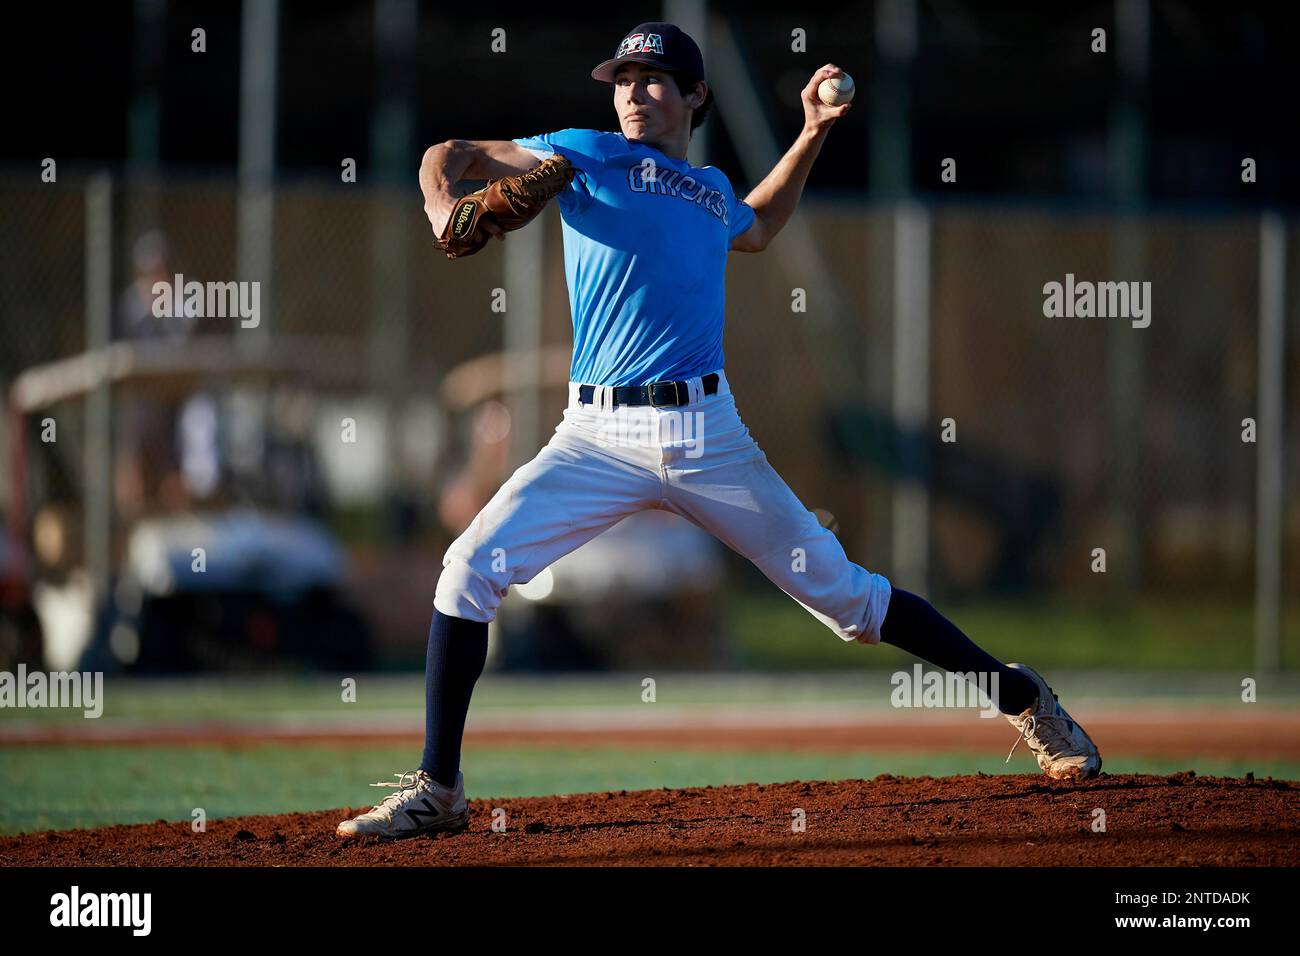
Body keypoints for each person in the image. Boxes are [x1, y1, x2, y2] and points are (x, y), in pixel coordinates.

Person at [337, 21, 1100, 841]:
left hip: (708, 433)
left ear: (696, 95)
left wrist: (810, 133)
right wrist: (443, 206)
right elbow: (448, 151)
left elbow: (760, 225)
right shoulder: (582, 151)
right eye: (623, 79)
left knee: (848, 601)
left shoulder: (707, 191)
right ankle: (440, 789)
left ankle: (1023, 699)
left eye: (654, 79)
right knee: (468, 569)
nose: (634, 92)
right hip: (594, 436)